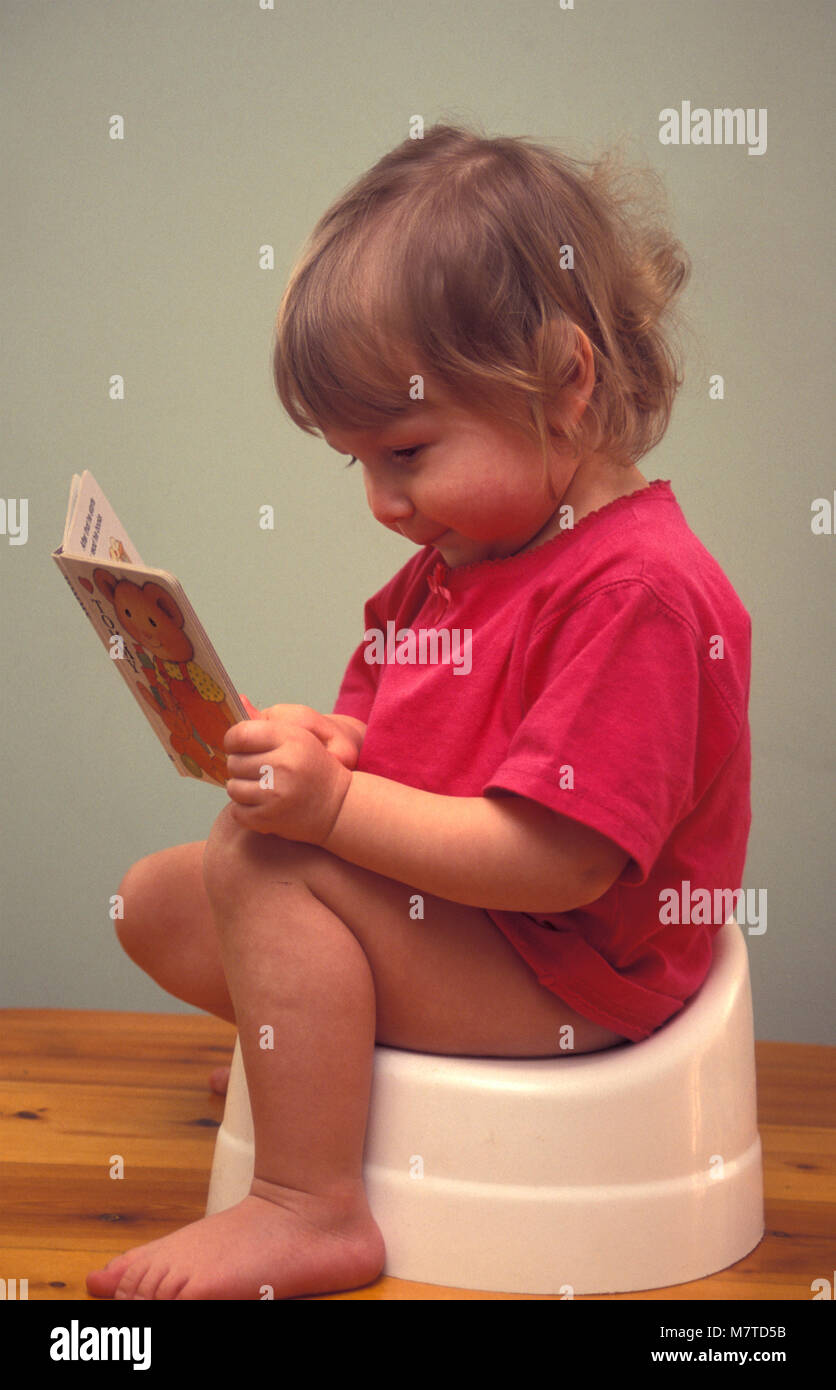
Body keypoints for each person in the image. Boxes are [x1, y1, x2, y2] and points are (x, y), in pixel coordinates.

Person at [87, 123, 751, 1301]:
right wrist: (329, 745)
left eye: (406, 449)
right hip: (467, 928)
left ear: (564, 382)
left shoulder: (637, 592)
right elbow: (395, 743)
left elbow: (556, 864)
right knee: (156, 901)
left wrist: (332, 804)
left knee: (268, 865)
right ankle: (321, 1076)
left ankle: (309, 1203)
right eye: (358, 465)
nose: (385, 501)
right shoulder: (455, 560)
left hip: (573, 980)